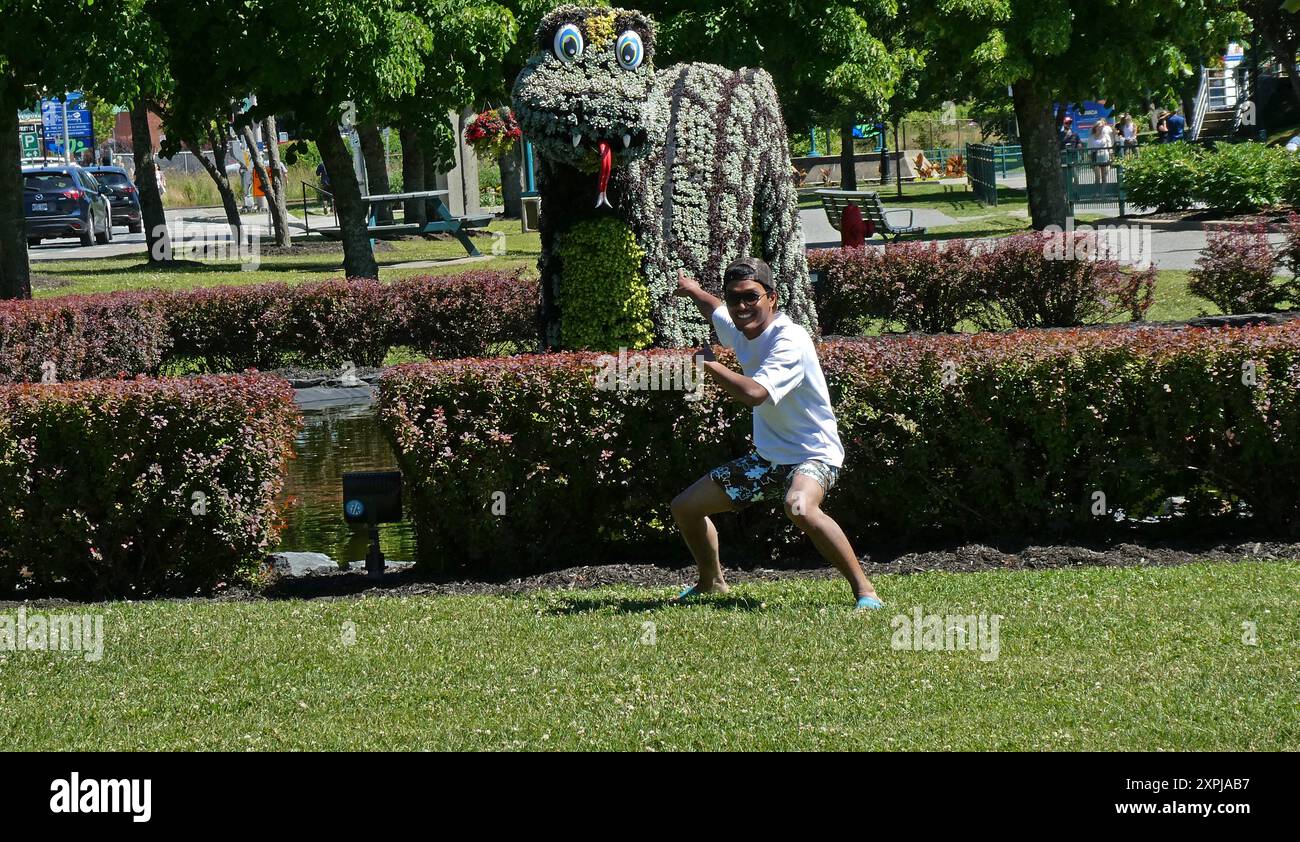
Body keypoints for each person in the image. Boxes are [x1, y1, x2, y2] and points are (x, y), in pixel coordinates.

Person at [670, 259, 884, 611]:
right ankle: (711, 583)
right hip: (767, 459)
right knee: (685, 508)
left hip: (813, 454)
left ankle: (866, 592)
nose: (741, 307)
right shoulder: (740, 324)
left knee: (799, 507)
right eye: (735, 298)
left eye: (751, 297)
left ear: (773, 298)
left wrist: (708, 364)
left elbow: (755, 393)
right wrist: (693, 290)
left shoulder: (789, 341)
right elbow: (716, 311)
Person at [1088, 118, 1115, 183]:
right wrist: (1090, 159)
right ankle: (1097, 192)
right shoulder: (1091, 137)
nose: (1101, 128)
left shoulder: (1106, 136)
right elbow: (1089, 149)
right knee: (1097, 176)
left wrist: (1111, 158)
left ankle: (1103, 192)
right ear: (1096, 127)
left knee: (1104, 176)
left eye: (1102, 126)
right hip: (1095, 157)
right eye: (1100, 126)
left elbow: (1110, 148)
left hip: (1104, 156)